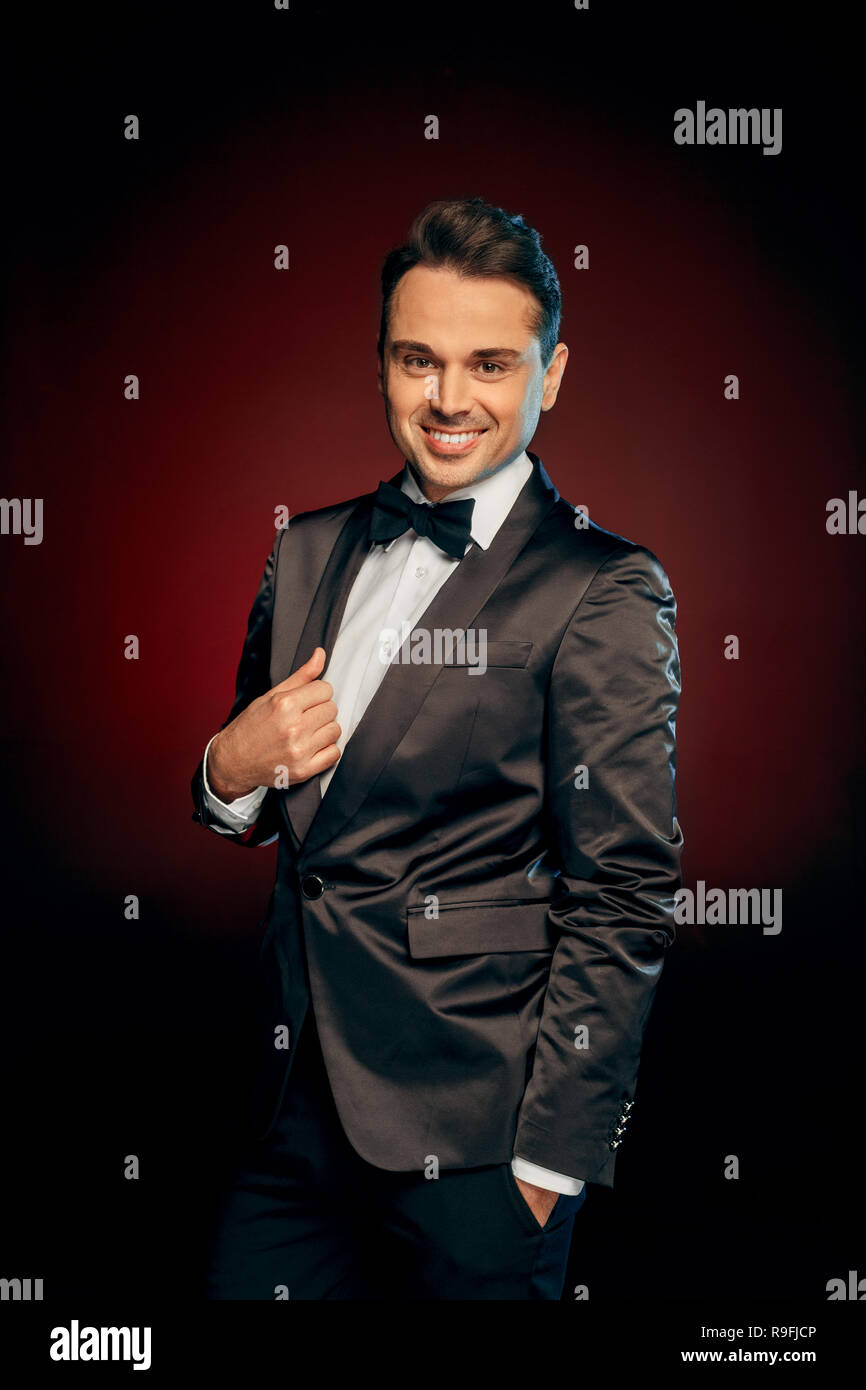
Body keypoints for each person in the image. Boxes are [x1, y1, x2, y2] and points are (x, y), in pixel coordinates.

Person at [191, 196, 683, 1300]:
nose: (448, 399)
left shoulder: (601, 587)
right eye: (418, 360)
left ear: (549, 376)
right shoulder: (308, 547)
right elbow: (254, 787)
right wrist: (228, 769)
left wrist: (546, 1167)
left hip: (479, 1142)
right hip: (291, 1118)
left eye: (489, 364)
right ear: (378, 363)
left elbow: (626, 894)